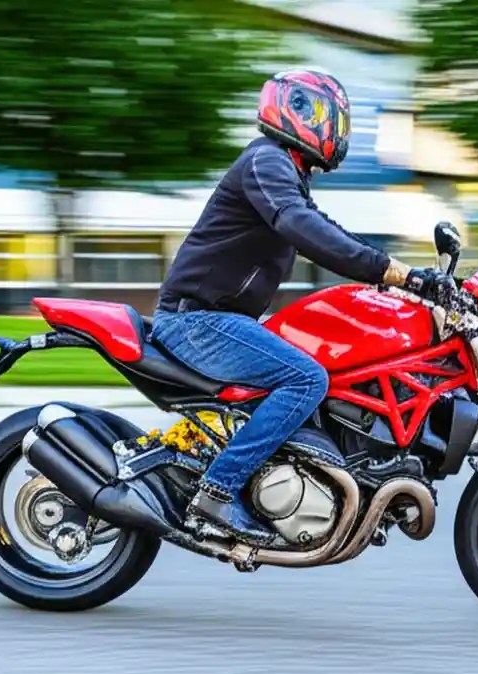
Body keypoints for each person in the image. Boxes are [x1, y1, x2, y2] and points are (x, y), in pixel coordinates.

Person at [151, 69, 455, 542]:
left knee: (324, 364)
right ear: (291, 109)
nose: (333, 129)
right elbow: (304, 228)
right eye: (322, 115)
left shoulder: (287, 173)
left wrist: (406, 280)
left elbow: (328, 229)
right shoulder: (266, 160)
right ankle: (216, 491)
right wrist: (395, 272)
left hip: (219, 320)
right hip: (197, 321)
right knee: (305, 377)